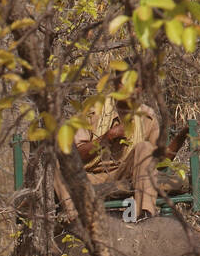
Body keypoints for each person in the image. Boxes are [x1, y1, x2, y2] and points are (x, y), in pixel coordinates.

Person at [55, 84, 160, 222]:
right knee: (56, 160)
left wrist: (182, 136)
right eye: (125, 82)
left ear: (143, 89)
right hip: (89, 175)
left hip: (124, 175)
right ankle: (76, 220)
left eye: (136, 85)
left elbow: (158, 160)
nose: (129, 89)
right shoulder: (94, 109)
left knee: (146, 148)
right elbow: (76, 155)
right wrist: (107, 137)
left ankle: (145, 217)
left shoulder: (147, 116)